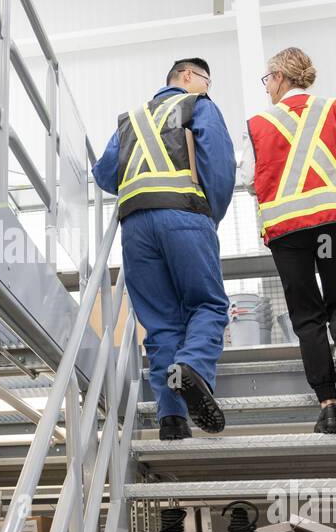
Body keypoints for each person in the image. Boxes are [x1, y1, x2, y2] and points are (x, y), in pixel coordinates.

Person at [92, 58, 236, 440]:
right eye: (207, 80)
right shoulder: (198, 105)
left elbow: (105, 172)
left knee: (160, 325)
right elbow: (219, 166)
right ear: (187, 76)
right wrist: (210, 215)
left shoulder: (131, 119)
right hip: (185, 215)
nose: (208, 88)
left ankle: (171, 420)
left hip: (135, 225)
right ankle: (192, 366)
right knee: (208, 304)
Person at [240, 47, 336, 433]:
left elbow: (250, 181)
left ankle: (329, 406)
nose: (267, 87)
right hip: (332, 224)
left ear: (281, 77)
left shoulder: (257, 124)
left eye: (267, 79)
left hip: (288, 231)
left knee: (307, 316)